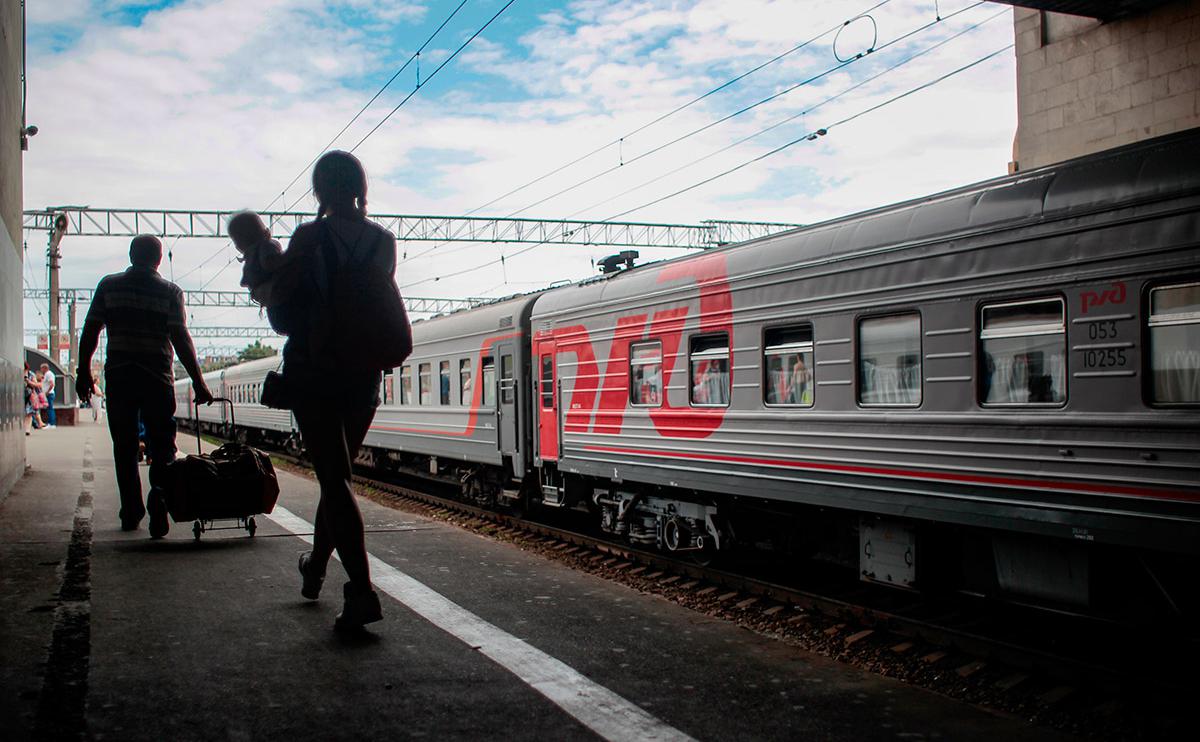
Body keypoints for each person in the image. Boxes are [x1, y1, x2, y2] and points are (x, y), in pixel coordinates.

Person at [244, 151, 408, 631]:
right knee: (338, 482)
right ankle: (315, 568)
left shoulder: (309, 236)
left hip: (316, 370)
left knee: (335, 482)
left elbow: (282, 305)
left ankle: (361, 592)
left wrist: (260, 272)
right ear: (359, 185)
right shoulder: (383, 241)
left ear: (320, 191)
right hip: (364, 374)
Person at [76, 234, 214, 536]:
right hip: (157, 380)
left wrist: (83, 372)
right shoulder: (170, 292)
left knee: (124, 446)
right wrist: (199, 382)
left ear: (130, 255)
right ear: (159, 259)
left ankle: (131, 510)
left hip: (121, 377)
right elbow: (181, 339)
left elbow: (91, 330)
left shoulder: (109, 285)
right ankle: (159, 500)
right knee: (163, 447)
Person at [228, 210, 284, 290]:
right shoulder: (262, 249)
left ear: (239, 245)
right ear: (266, 232)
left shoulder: (266, 247)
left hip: (271, 289)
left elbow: (271, 263)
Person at [23, 363, 41, 435]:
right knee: (23, 413)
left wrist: (28, 381)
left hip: (30, 395)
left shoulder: (31, 374)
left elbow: (37, 385)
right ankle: (24, 428)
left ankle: (27, 430)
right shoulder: (16, 372)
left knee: (29, 413)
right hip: (20, 396)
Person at [39, 363, 57, 427]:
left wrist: (47, 392)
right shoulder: (49, 374)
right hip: (50, 393)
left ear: (45, 368)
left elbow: (52, 384)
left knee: (50, 409)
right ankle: (51, 423)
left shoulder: (48, 374)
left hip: (49, 394)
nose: (41, 370)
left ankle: (51, 423)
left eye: (41, 368)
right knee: (50, 408)